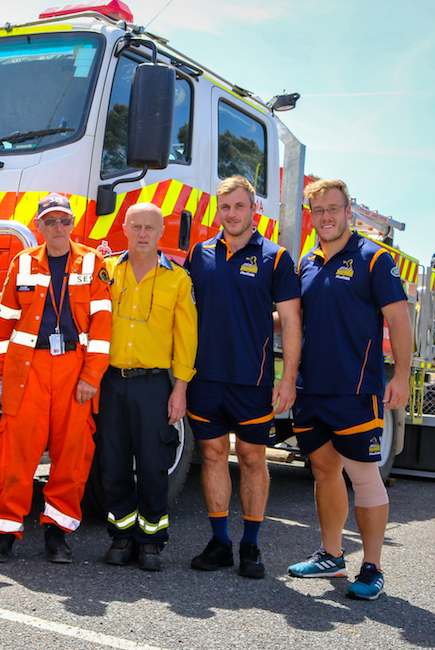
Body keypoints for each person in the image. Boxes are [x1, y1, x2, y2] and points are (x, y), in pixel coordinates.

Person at [287, 179, 411, 601]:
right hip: (312, 389)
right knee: (323, 470)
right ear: (312, 215)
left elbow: (398, 320)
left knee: (363, 474)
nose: (326, 217)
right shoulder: (307, 262)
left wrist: (401, 377)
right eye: (318, 210)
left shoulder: (374, 258)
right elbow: (295, 321)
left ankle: (372, 567)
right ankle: (332, 555)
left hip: (355, 390)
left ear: (348, 211)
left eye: (333, 209)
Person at [0, 193, 111, 564]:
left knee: (72, 454)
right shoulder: (22, 263)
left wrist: (91, 377)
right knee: (16, 453)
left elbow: (103, 326)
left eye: (64, 221)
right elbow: (4, 325)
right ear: (38, 225)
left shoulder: (92, 261)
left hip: (74, 370)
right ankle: (4, 530)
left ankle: (58, 532)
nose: (58, 228)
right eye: (50, 221)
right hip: (28, 370)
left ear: (73, 224)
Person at [183, 175, 301, 579]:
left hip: (252, 381)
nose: (231, 214)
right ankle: (220, 542)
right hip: (205, 379)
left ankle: (251, 545)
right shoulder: (199, 255)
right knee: (213, 456)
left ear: (254, 210)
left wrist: (288, 380)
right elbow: (184, 315)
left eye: (239, 206)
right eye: (225, 207)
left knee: (251, 458)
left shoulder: (276, 257)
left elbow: (291, 320)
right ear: (218, 212)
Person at [97, 202, 197, 571]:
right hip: (111, 383)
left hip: (155, 385)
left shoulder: (178, 279)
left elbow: (187, 338)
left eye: (149, 228)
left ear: (160, 233)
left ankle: (151, 541)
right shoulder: (106, 271)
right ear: (124, 228)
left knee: (155, 464)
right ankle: (121, 537)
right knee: (113, 462)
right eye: (135, 226)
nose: (142, 234)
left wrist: (180, 389)